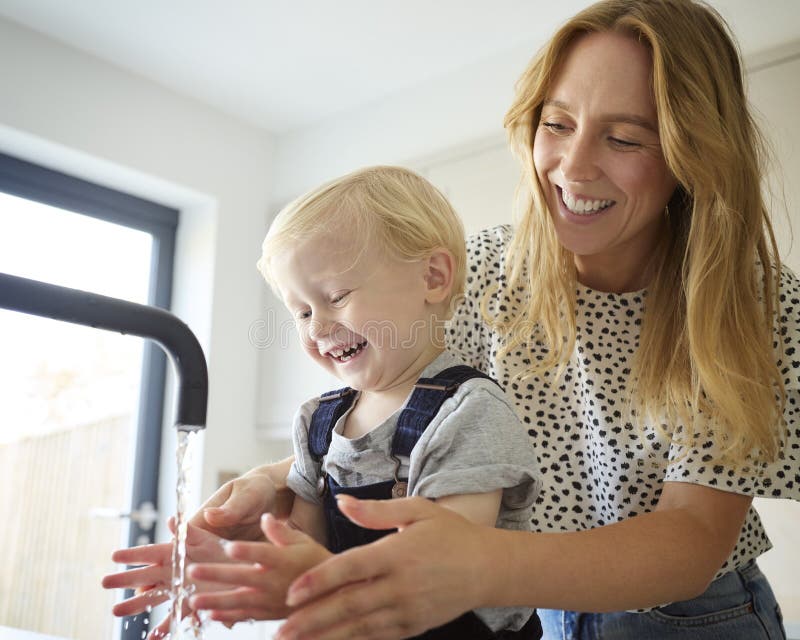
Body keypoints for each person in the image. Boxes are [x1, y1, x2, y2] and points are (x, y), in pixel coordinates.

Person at [107, 0, 800, 638]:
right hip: (526, 612)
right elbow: (408, 420)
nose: (573, 166)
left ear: (691, 151)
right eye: (556, 125)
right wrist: (283, 482)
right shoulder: (482, 271)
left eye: (623, 139)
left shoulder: (747, 303)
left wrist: (484, 565)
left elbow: (688, 538)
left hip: (694, 620)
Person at [104, 166, 542, 639]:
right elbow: (304, 553)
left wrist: (314, 583)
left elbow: (445, 571)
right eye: (303, 312)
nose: (316, 327)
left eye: (336, 296)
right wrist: (243, 574)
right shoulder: (318, 422)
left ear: (432, 277)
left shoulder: (469, 413)